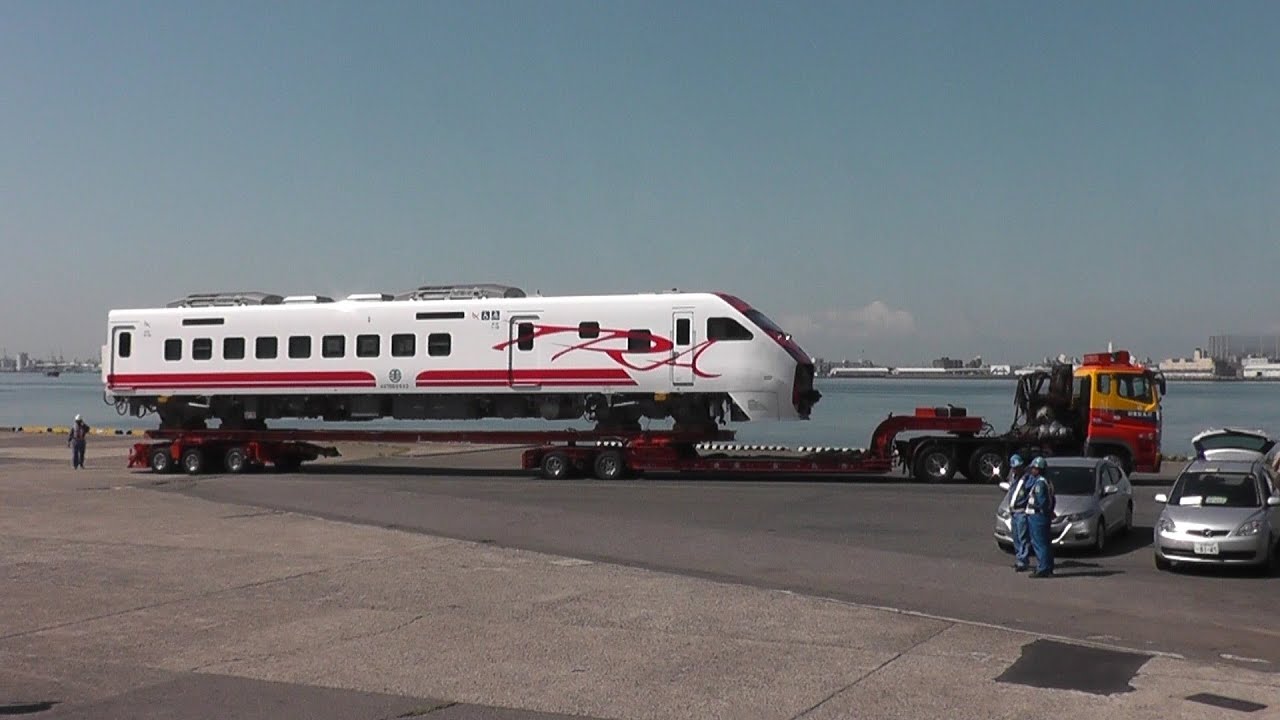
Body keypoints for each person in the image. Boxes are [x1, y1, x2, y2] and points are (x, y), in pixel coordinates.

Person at [1024, 456, 1056, 578]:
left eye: (1034, 468)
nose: (1032, 470)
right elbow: (1053, 499)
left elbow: (1042, 502)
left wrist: (1039, 507)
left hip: (1037, 516)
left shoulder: (1040, 484)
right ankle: (1048, 566)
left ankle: (1042, 568)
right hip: (1044, 516)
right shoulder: (1047, 481)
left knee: (1039, 543)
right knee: (1046, 543)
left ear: (1038, 469)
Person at [1006, 454, 1032, 572]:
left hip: (1021, 511)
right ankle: (1019, 559)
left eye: (1018, 467)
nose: (1016, 469)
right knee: (1016, 537)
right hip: (1013, 512)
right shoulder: (1012, 477)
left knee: (1023, 538)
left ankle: (1023, 561)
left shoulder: (1027, 478)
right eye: (1014, 467)